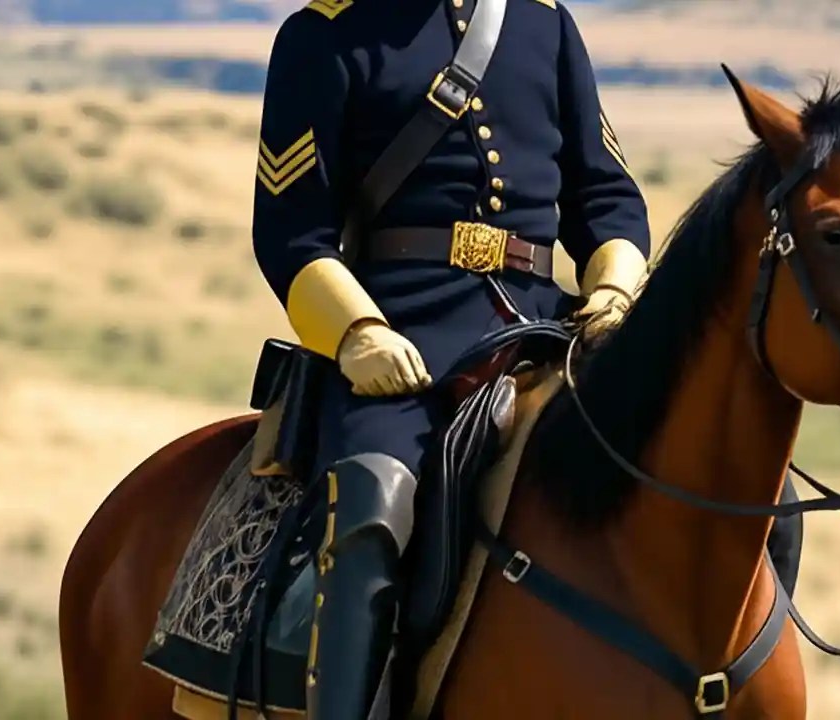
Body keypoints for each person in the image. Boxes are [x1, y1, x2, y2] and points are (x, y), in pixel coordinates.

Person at [250, 0, 650, 718]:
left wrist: (615, 286)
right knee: (372, 502)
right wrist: (355, 334)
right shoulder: (324, 35)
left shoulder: (544, 24)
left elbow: (607, 196)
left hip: (546, 330)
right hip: (403, 339)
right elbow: (290, 233)